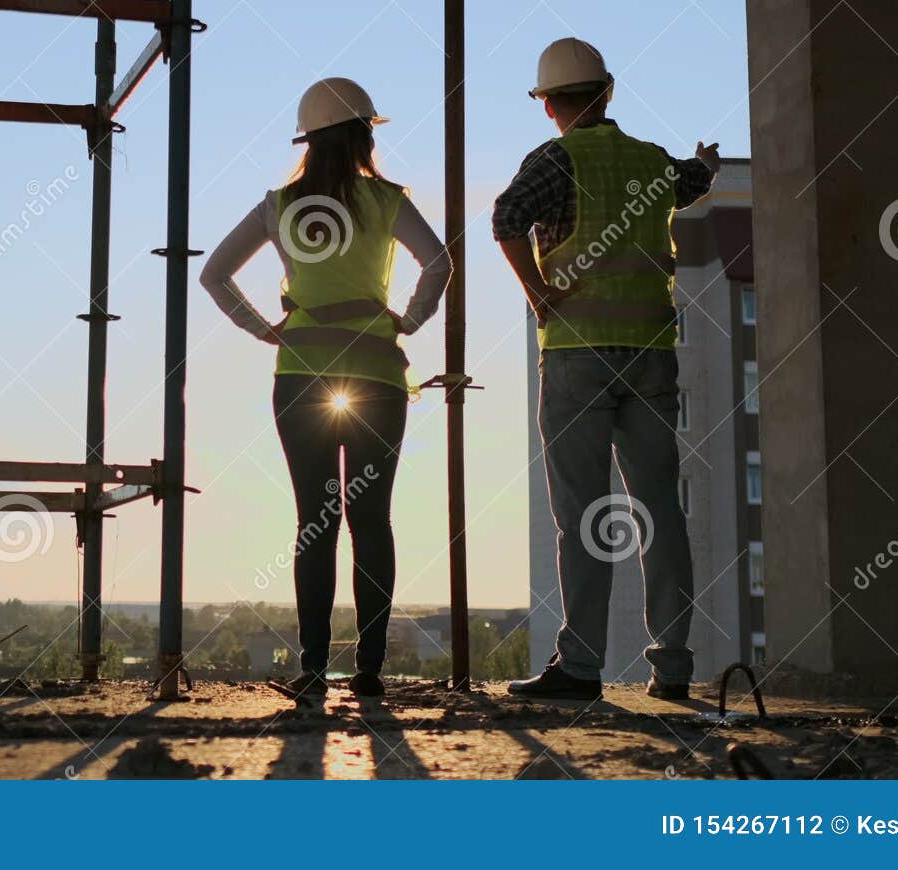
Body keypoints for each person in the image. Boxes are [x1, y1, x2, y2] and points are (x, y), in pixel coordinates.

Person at [200, 78, 451, 699]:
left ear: (307, 141)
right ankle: (368, 671)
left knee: (316, 519)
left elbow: (214, 274)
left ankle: (312, 667)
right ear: (366, 133)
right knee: (371, 519)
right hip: (376, 377)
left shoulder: (279, 204)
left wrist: (266, 331)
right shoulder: (388, 200)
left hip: (301, 378)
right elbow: (438, 261)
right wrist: (409, 320)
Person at [494, 38, 721, 701]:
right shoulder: (652, 163)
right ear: (609, 93)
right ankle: (672, 670)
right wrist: (704, 163)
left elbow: (506, 216)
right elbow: (694, 180)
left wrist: (537, 291)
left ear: (548, 106)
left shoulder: (556, 158)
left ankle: (581, 667)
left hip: (576, 358)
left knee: (581, 516)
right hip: (650, 356)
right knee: (662, 514)